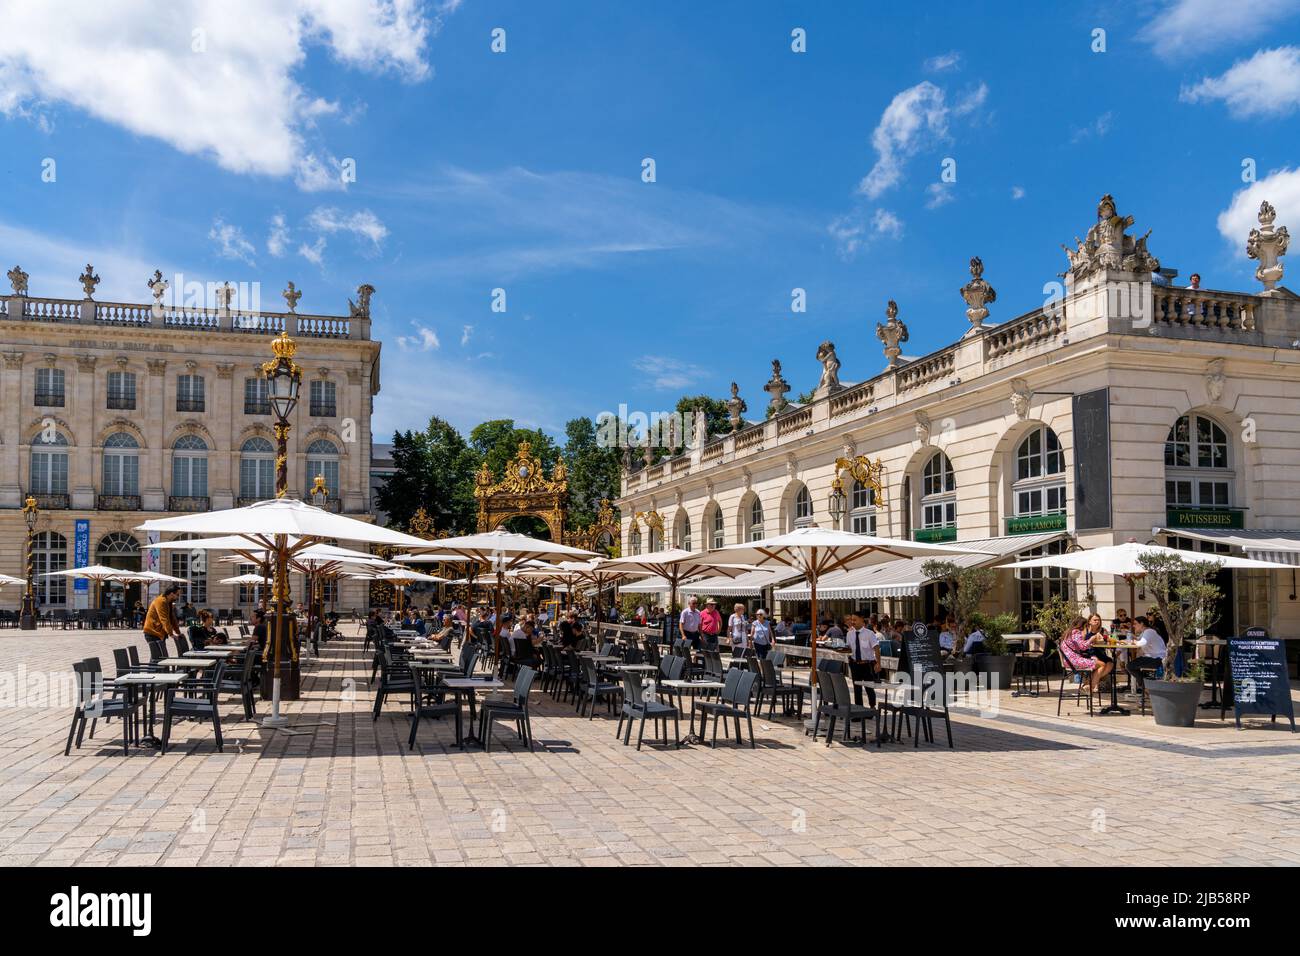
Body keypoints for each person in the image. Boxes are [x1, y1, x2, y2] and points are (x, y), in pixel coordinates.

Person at [1060, 616, 1113, 692]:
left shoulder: (1069, 632)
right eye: (1085, 626)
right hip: (1074, 661)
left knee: (1102, 663)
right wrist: (1091, 639)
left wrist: (1089, 642)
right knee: (1102, 664)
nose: (1086, 627)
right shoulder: (1076, 632)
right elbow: (1083, 647)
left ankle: (1087, 685)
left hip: (1069, 661)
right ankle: (1089, 687)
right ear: (1082, 625)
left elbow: (1079, 646)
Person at [845, 611, 880, 707]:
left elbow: (876, 648)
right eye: (852, 620)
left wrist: (878, 663)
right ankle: (858, 710)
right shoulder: (849, 634)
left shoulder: (869, 634)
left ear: (862, 620)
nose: (853, 622)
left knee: (869, 688)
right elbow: (848, 648)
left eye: (855, 620)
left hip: (867, 664)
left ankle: (872, 708)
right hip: (854, 664)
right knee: (857, 689)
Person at [1125, 615, 1167, 695]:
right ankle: (1146, 686)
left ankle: (1145, 687)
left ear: (1142, 624)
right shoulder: (1147, 631)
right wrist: (1129, 634)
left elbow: (1142, 642)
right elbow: (1138, 639)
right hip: (1155, 658)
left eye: (1135, 624)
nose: (1134, 626)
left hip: (1157, 659)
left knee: (1130, 666)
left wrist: (1132, 641)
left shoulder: (1149, 632)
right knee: (1132, 665)